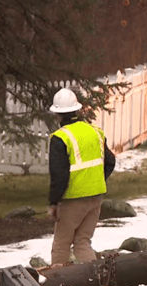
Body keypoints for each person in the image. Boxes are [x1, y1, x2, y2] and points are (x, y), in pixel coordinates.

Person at [47, 88, 115, 266]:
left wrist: (54, 202)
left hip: (73, 199)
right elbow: (110, 162)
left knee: (61, 245)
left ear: (58, 115)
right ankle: (94, 279)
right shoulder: (95, 132)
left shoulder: (60, 138)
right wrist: (96, 182)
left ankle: (56, 284)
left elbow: (59, 175)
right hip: (96, 196)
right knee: (83, 243)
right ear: (77, 110)